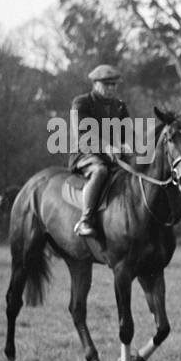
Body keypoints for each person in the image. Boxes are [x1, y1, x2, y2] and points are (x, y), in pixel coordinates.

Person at [69, 64, 131, 237]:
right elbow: (83, 134)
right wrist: (106, 147)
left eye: (114, 85)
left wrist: (127, 144)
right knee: (100, 171)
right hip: (86, 155)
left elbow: (127, 132)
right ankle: (85, 220)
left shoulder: (119, 106)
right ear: (95, 84)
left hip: (114, 156)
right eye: (106, 84)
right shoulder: (82, 103)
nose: (111, 89)